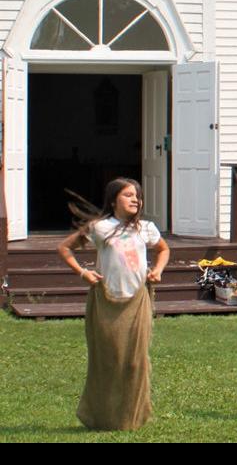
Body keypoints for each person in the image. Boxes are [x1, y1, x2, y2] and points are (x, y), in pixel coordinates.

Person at [57, 178, 170, 431]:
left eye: (137, 196)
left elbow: (163, 250)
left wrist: (158, 270)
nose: (134, 200)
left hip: (137, 301)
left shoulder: (146, 228)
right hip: (106, 301)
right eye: (128, 195)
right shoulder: (100, 227)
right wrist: (83, 273)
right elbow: (65, 248)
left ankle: (130, 418)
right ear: (112, 200)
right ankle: (101, 417)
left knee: (134, 361)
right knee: (109, 359)